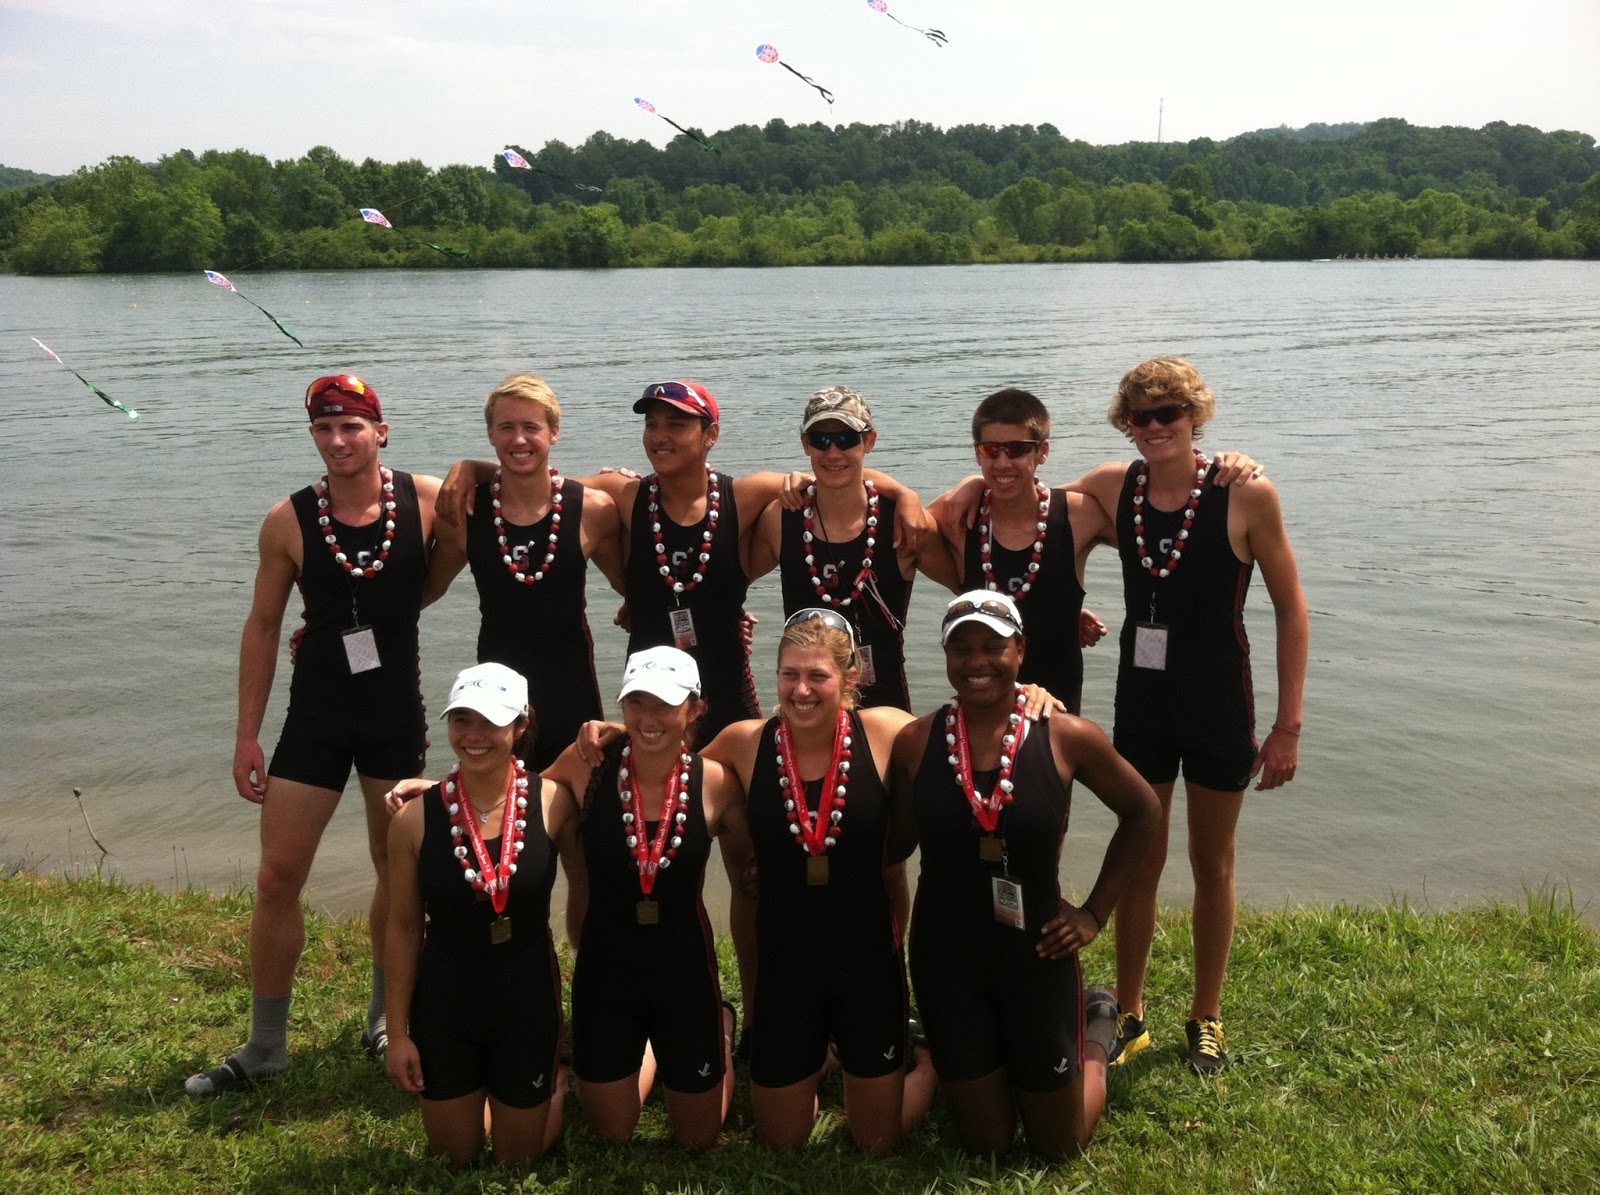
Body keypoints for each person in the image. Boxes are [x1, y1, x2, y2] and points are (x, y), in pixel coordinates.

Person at [187, 374, 442, 1096]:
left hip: (395, 716)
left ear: (381, 431)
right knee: (276, 877)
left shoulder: (426, 501)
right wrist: (246, 735)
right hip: (317, 715)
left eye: (353, 427)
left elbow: (513, 502)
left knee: (398, 875)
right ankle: (267, 1043)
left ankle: (385, 1020)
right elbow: (264, 625)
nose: (339, 441)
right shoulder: (288, 520)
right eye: (325, 430)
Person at [1071, 357, 1308, 1073]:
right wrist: (1067, 604)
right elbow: (1034, 513)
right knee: (1140, 856)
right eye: (1140, 415)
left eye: (1168, 413)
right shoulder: (1116, 486)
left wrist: (1287, 724)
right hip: (1142, 700)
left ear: (1194, 416)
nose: (1153, 427)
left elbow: (1292, 610)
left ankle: (1206, 1015)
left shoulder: (1246, 493)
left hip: (1217, 702)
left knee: (1213, 862)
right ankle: (1131, 1013)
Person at [889, 591, 1160, 1160]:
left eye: (993, 646)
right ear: (944, 656)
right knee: (987, 1144)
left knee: (1058, 1147)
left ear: (1021, 651)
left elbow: (1143, 812)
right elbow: (892, 843)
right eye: (960, 649)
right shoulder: (915, 742)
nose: (976, 661)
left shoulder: (1067, 736)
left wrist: (1093, 913)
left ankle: (1096, 1036)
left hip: (1037, 955)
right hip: (947, 958)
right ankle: (950, 1056)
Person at [701, 609, 937, 1153]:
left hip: (868, 961)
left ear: (850, 677)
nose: (801, 690)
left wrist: (1031, 694)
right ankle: (802, 1051)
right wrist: (611, 732)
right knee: (781, 1141)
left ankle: (927, 1061)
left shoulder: (886, 731)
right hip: (787, 967)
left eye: (818, 676)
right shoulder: (744, 741)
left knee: (877, 1140)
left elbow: (968, 733)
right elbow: (666, 770)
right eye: (789, 674)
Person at [543, 646, 746, 1149]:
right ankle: (652, 1051)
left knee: (697, 1140)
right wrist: (432, 796)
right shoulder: (587, 764)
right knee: (612, 1133)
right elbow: (510, 804)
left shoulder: (716, 782)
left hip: (685, 970)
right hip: (607, 968)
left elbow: (757, 859)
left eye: (665, 705)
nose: (648, 718)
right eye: (636, 703)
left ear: (694, 709)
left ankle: (720, 1029)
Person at [384, 663, 569, 1167]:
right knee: (455, 1159)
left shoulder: (555, 803)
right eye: (461, 719)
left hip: (526, 999)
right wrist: (398, 1033)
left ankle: (558, 1084)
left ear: (521, 726)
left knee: (517, 1160)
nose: (474, 735)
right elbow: (401, 928)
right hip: (446, 1001)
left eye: (490, 721)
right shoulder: (412, 820)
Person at [421, 373, 625, 770]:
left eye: (531, 427)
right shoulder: (463, 514)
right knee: (503, 817)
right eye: (506, 428)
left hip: (572, 689)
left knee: (579, 816)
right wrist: (338, 625)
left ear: (554, 433)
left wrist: (723, 612)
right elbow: (426, 590)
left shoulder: (594, 510)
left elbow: (634, 586)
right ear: (490, 435)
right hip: (495, 696)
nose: (519, 440)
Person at [747, 386, 953, 712]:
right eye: (820, 439)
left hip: (885, 710)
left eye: (846, 439)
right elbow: (726, 584)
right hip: (805, 704)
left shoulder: (905, 523)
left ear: (869, 441)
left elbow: (968, 586)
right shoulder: (780, 520)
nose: (833, 452)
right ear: (805, 444)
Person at [930, 387, 1113, 714]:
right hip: (981, 716)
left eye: (1016, 449)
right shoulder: (957, 517)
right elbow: (890, 524)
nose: (1002, 462)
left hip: (1059, 719)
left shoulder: (1080, 516)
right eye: (991, 450)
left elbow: (1158, 528)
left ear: (1042, 451)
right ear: (977, 453)